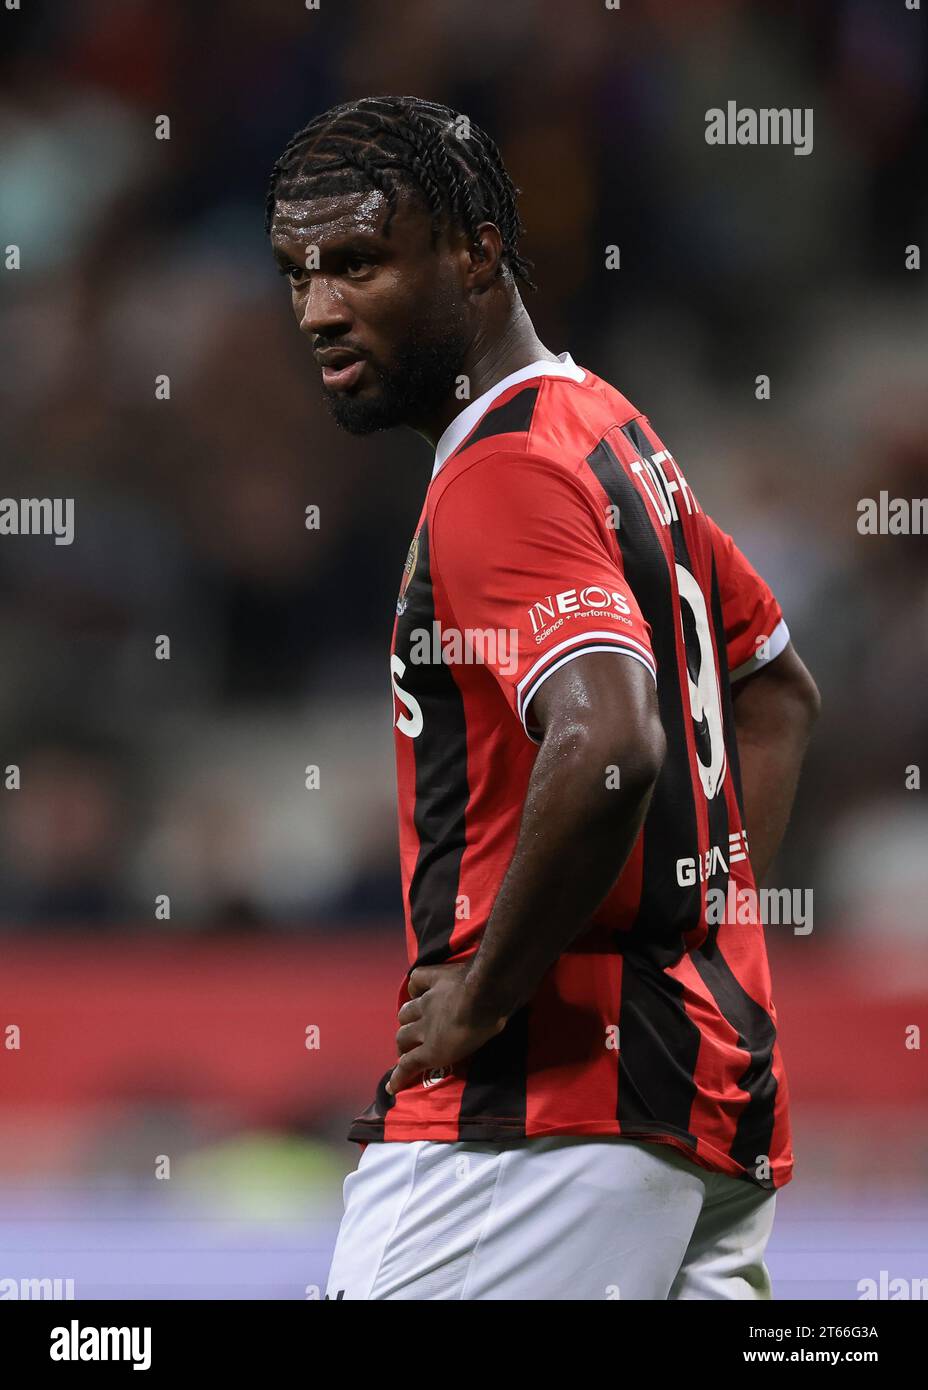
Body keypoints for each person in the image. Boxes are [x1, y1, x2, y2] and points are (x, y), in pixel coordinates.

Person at [266, 95, 821, 1300]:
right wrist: (703, 954)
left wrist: (484, 992)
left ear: (477, 246)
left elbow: (612, 737)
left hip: (535, 1120)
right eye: (299, 274)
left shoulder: (502, 472)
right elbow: (773, 690)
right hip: (692, 1117)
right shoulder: (609, 435)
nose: (318, 310)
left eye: (358, 263)